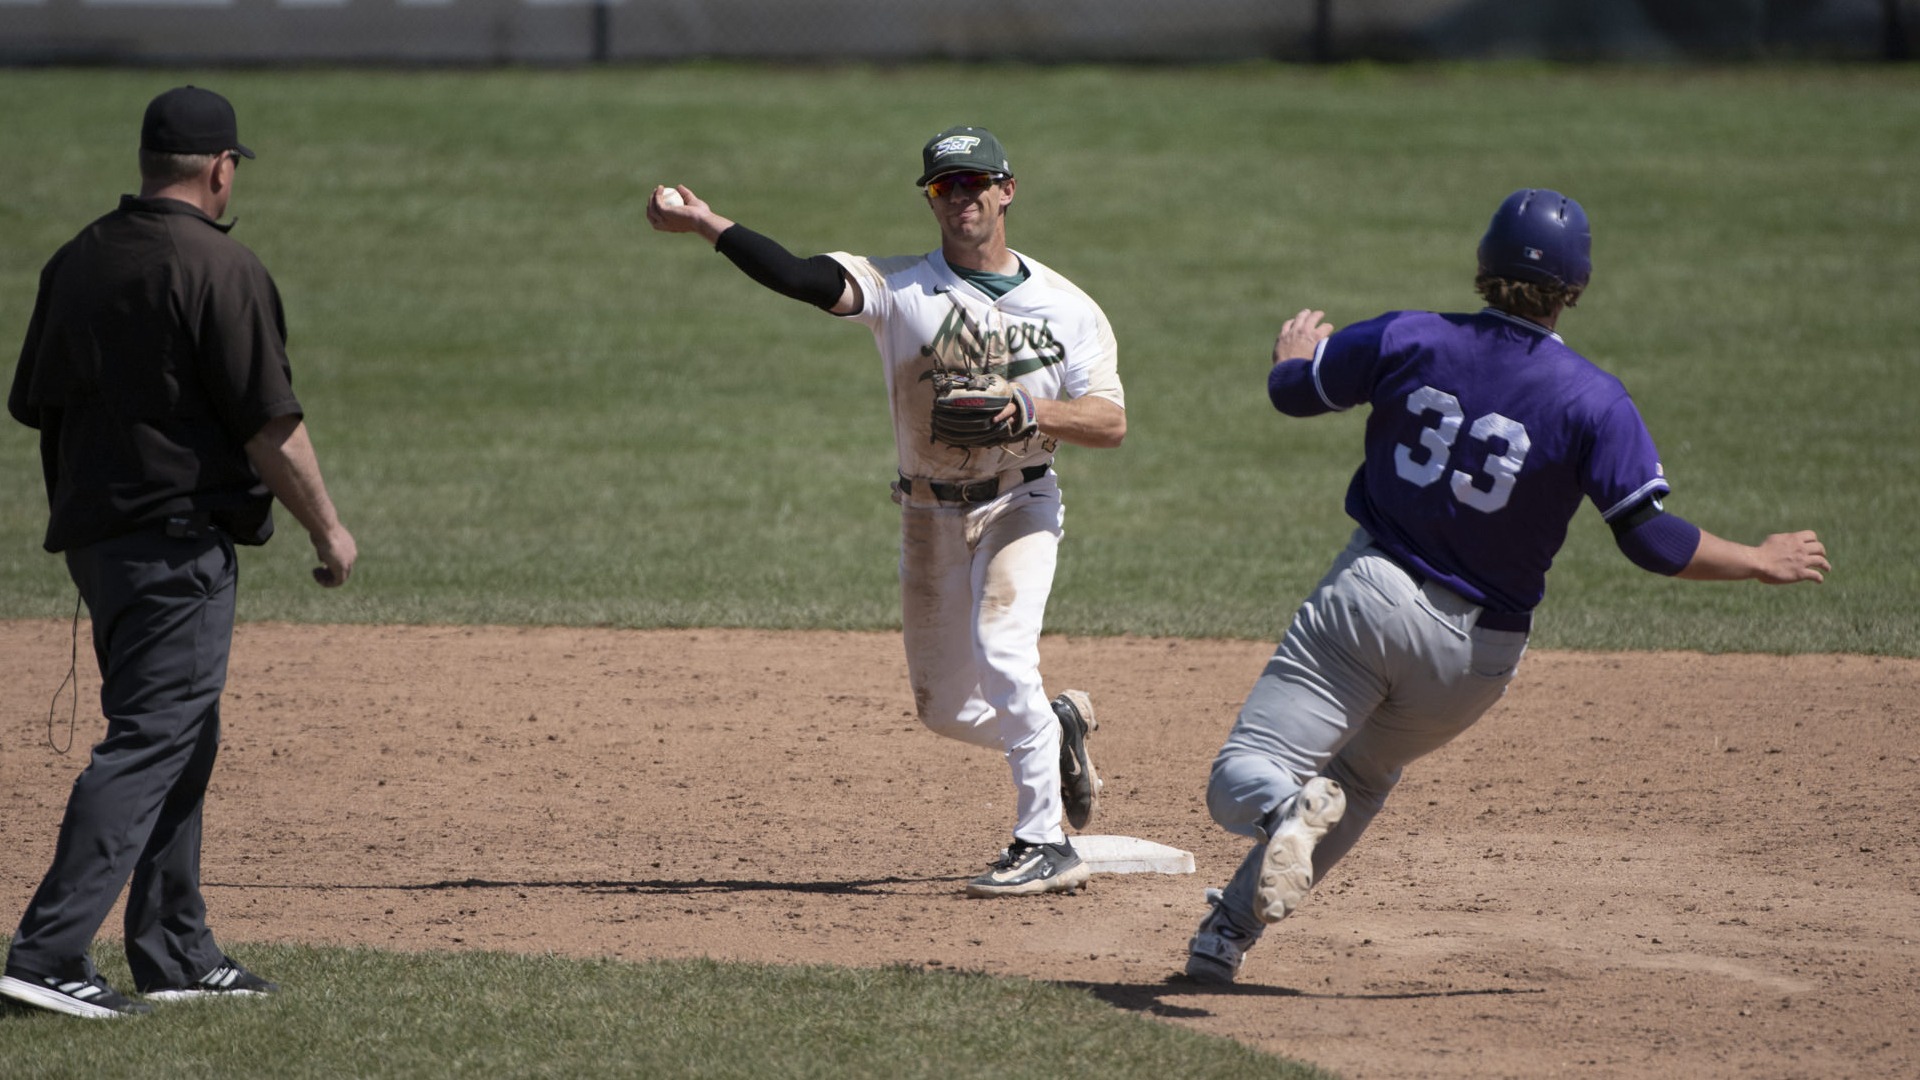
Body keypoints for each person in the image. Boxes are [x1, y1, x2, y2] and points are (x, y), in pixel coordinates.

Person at [1184, 188, 1829, 984]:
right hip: (1476, 663)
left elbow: (1293, 394)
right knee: (1358, 779)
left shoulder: (1409, 336)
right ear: (1576, 287)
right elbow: (1652, 540)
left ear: (1485, 266)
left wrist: (1291, 354)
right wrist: (1759, 558)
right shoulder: (1595, 399)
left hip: (1372, 602)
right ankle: (1226, 934)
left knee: (1244, 779)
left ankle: (1280, 814)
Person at [647, 126, 1126, 897]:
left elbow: (1110, 422)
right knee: (944, 709)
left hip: (1020, 504)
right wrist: (708, 224)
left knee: (1007, 654)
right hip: (927, 515)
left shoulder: (1069, 307)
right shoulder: (898, 285)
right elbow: (803, 278)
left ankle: (1043, 842)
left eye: (975, 184)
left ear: (1008, 190)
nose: (961, 198)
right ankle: (1058, 725)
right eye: (945, 187)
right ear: (931, 199)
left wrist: (1032, 407)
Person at [2, 86, 356, 1018]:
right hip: (175, 548)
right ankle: (44, 956)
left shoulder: (78, 259)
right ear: (220, 169)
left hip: (99, 544)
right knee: (154, 737)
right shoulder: (219, 267)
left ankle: (174, 951)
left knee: (182, 736)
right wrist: (329, 528)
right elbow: (270, 425)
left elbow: (34, 401)